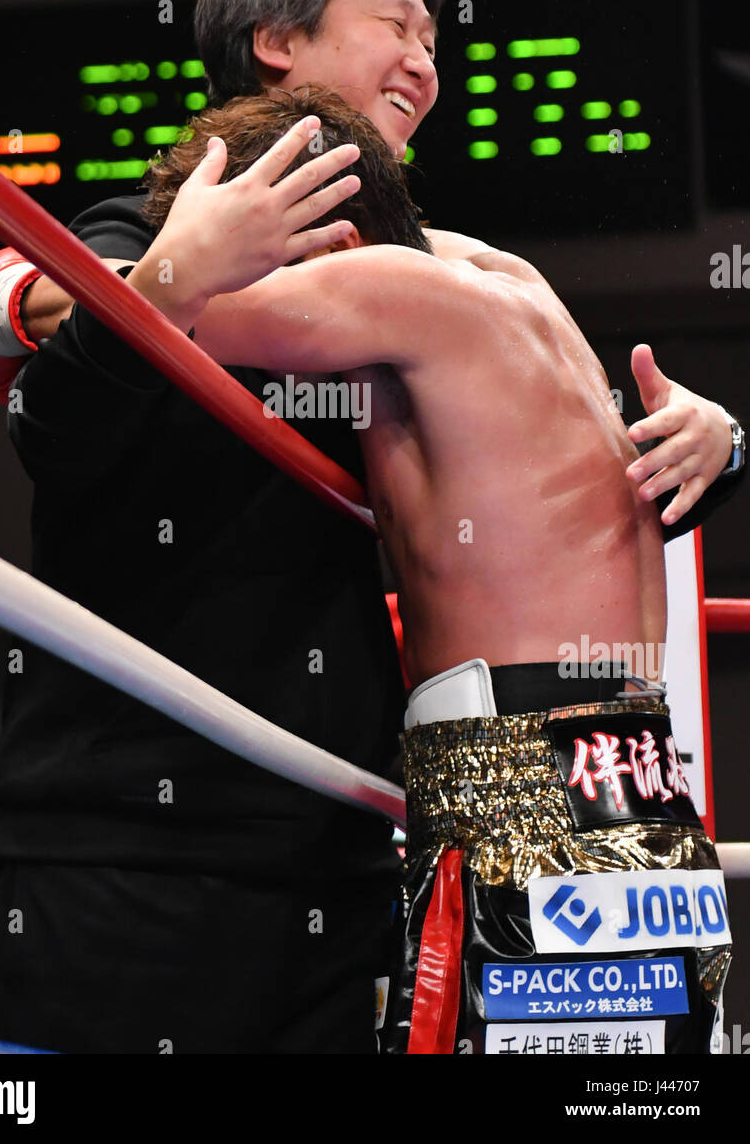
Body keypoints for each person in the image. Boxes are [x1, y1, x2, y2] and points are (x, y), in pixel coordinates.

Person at [0, 0, 740, 1054]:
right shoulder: (153, 233)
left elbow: (583, 478)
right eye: (395, 24)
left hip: (364, 826)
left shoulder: (445, 274)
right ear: (280, 38)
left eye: (433, 38)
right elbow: (11, 339)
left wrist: (717, 439)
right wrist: (157, 271)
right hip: (148, 828)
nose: (423, 60)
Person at [144, 83, 730, 1056]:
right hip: (636, 791)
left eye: (265, 239)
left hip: (518, 784)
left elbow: (151, 314)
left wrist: (4, 290)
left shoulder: (381, 283)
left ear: (324, 236)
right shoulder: (505, 278)